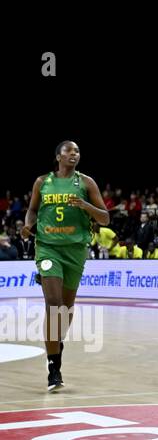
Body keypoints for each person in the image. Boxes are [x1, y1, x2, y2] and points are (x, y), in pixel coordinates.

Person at [21, 141, 112, 392]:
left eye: (78, 151)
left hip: (75, 251)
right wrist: (28, 225)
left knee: (66, 307)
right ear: (58, 156)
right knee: (53, 303)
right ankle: (54, 367)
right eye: (69, 151)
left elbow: (105, 218)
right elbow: (32, 210)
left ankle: (56, 342)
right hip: (48, 247)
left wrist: (87, 206)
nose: (74, 154)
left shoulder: (86, 183)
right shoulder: (43, 182)